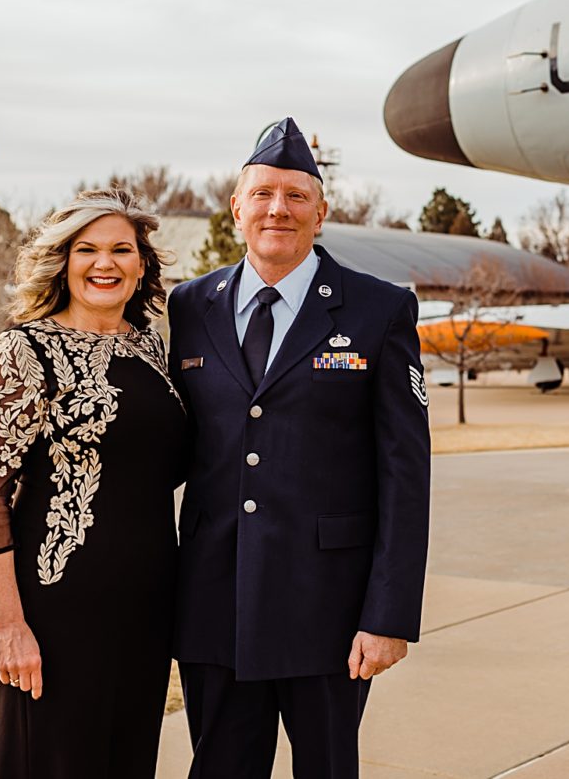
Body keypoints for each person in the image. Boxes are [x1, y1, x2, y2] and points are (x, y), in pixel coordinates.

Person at [168, 118, 430, 779]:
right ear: (236, 209)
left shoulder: (379, 309)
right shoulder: (190, 306)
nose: (276, 209)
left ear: (322, 211)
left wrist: (389, 614)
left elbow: (405, 474)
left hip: (330, 611)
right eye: (261, 195)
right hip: (214, 604)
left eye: (294, 196)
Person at [0, 189, 188, 779]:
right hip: (57, 612)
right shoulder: (23, 350)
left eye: (121, 249)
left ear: (142, 264)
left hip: (146, 612)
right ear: (61, 262)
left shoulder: (150, 348)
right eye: (86, 249)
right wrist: (8, 626)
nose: (104, 263)